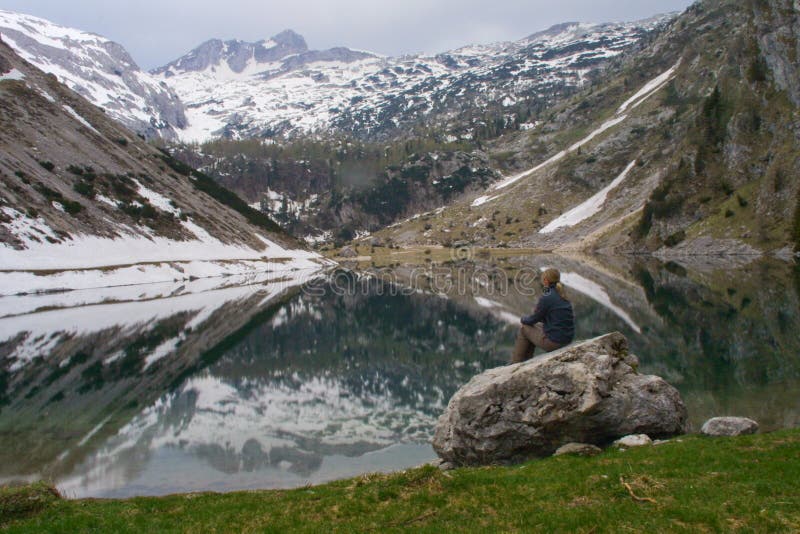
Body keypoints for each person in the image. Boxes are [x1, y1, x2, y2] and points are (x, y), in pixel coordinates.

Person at [510, 268, 575, 364]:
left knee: (525, 328)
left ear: (545, 280)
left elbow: (534, 319)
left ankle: (515, 363)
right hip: (567, 338)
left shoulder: (547, 296)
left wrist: (523, 319)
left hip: (555, 342)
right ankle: (526, 361)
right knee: (536, 327)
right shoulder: (561, 293)